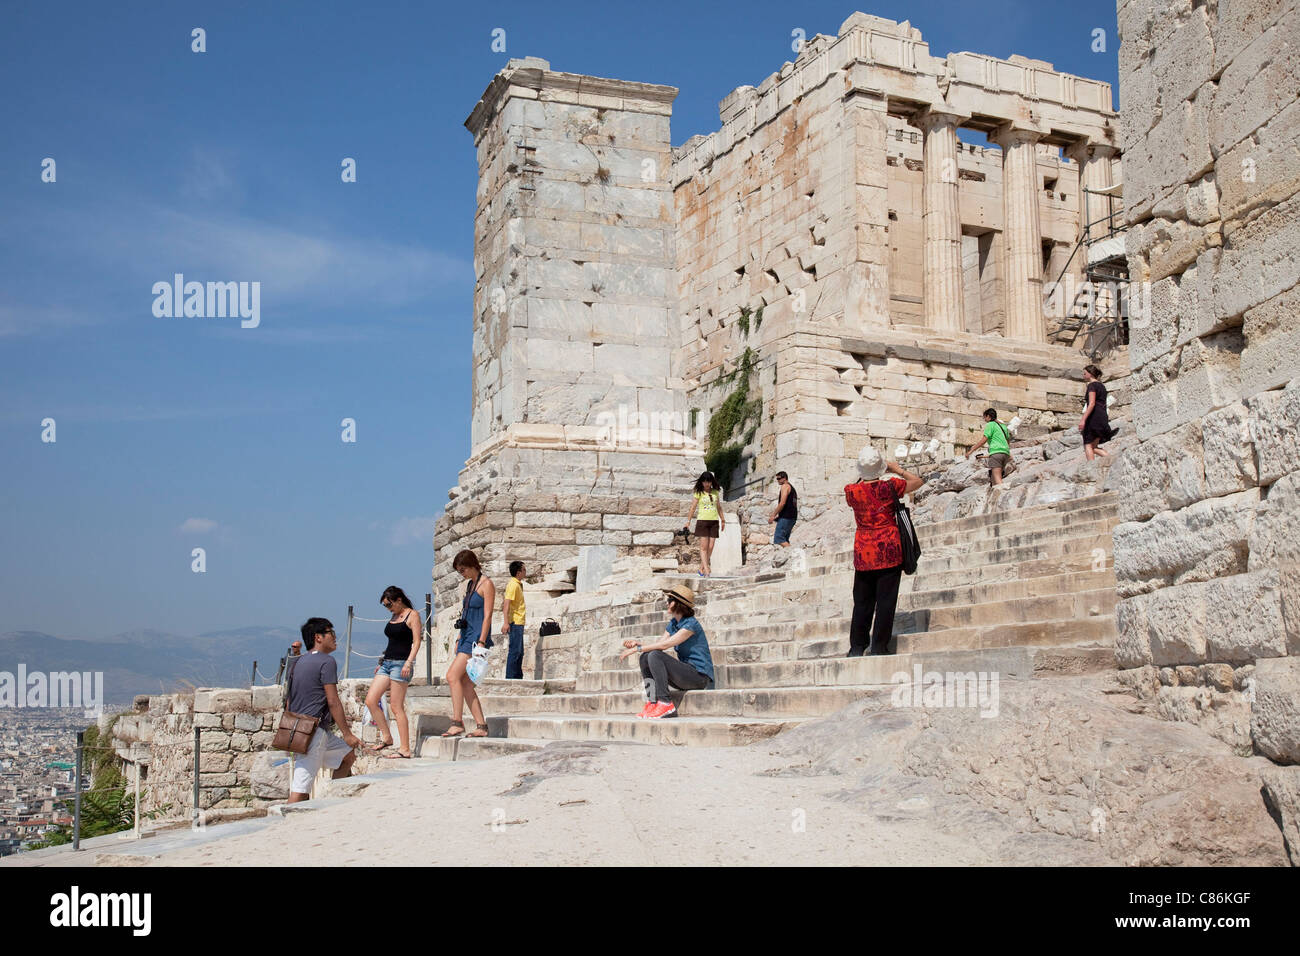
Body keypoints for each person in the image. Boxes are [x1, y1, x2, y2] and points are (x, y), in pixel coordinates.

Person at [843, 447, 924, 657]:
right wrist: (897, 469)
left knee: (862, 602)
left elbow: (858, 483)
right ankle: (879, 646)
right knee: (886, 601)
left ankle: (857, 646)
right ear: (881, 468)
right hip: (889, 548)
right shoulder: (890, 486)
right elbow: (917, 482)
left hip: (864, 552)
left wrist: (866, 472)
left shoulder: (852, 491)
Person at [286, 617, 360, 803]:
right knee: (300, 788)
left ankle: (333, 801)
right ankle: (284, 825)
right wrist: (347, 733)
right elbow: (333, 700)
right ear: (318, 637)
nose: (335, 637)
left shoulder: (297, 662)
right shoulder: (327, 662)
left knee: (347, 756)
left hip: (298, 728)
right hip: (314, 731)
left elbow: (289, 699)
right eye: (331, 633)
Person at [619, 584, 714, 719]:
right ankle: (653, 702)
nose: (667, 603)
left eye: (670, 600)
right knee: (645, 657)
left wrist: (636, 649)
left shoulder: (691, 625)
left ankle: (665, 703)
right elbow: (659, 644)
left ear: (678, 604)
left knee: (655, 655)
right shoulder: (673, 624)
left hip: (699, 677)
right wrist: (639, 645)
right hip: (684, 675)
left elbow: (664, 646)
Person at [363, 586, 421, 758]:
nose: (388, 608)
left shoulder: (413, 615)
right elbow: (392, 642)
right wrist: (381, 661)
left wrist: (408, 663)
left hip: (401, 663)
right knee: (371, 701)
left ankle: (405, 749)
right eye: (385, 606)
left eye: (389, 604)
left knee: (396, 706)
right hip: (386, 663)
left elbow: (417, 641)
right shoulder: (394, 616)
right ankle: (387, 737)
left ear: (399, 600)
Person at [443, 549, 493, 738]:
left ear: (472, 565)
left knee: (452, 676)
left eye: (463, 569)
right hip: (465, 636)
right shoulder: (470, 585)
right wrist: (458, 637)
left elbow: (487, 615)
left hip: (476, 639)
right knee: (465, 684)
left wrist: (481, 641)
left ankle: (457, 722)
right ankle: (481, 726)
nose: (461, 574)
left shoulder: (486, 584)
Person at [682, 471, 725, 577]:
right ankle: (706, 569)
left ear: (711, 482)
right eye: (705, 482)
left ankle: (701, 567)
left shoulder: (715, 492)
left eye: (709, 482)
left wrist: (723, 520)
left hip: (714, 521)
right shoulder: (698, 493)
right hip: (702, 521)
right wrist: (688, 521)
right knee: (704, 547)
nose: (707, 484)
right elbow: (693, 507)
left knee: (711, 546)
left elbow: (718, 507)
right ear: (701, 482)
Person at [965, 407, 1013, 486]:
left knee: (997, 479)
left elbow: (983, 440)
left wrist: (971, 450)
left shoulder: (990, 425)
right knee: (994, 480)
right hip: (1005, 454)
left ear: (988, 416)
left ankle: (1005, 494)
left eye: (984, 417)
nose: (984, 419)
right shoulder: (1003, 426)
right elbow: (1007, 442)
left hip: (996, 454)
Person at [1080, 364, 1115, 461]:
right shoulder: (1102, 386)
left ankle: (1091, 469)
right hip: (1102, 416)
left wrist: (1083, 420)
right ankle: (1111, 460)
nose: (1083, 375)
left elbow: (1091, 404)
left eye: (1085, 373)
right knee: (1094, 447)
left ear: (1090, 374)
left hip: (1093, 417)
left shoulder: (1091, 386)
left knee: (1087, 444)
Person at [501, 561, 527, 680]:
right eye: (524, 570)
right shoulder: (513, 585)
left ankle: (518, 677)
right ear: (518, 572)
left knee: (519, 652)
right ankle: (510, 678)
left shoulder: (518, 584)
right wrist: (506, 622)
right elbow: (506, 604)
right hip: (515, 622)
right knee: (515, 651)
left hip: (519, 622)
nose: (525, 572)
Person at [769, 471, 798, 547]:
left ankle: (794, 555)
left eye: (779, 478)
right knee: (785, 539)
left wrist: (773, 515)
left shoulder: (785, 486)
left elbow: (782, 503)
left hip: (786, 517)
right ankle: (791, 556)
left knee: (779, 538)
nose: (777, 480)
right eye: (777, 479)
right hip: (792, 517)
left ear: (784, 478)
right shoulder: (792, 488)